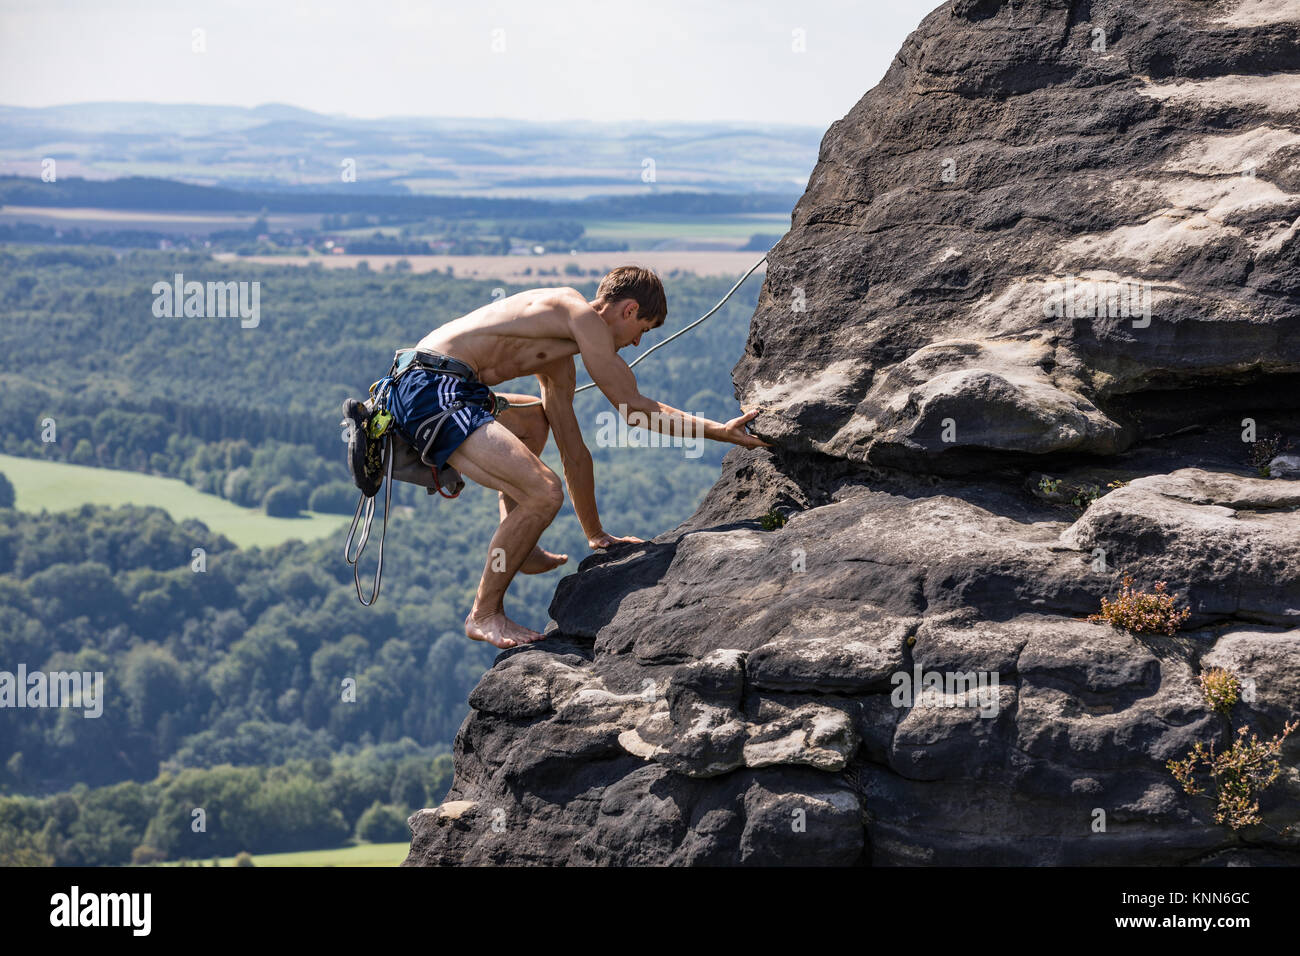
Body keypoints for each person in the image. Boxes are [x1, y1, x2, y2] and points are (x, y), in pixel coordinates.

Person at [388, 265, 771, 650]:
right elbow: (634, 408)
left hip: (447, 386)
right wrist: (718, 430)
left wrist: (595, 534)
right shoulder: (579, 314)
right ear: (628, 310)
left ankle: (520, 541)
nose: (638, 343)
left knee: (536, 421)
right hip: (431, 386)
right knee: (543, 493)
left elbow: (573, 450)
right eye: (644, 329)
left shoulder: (557, 353)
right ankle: (483, 614)